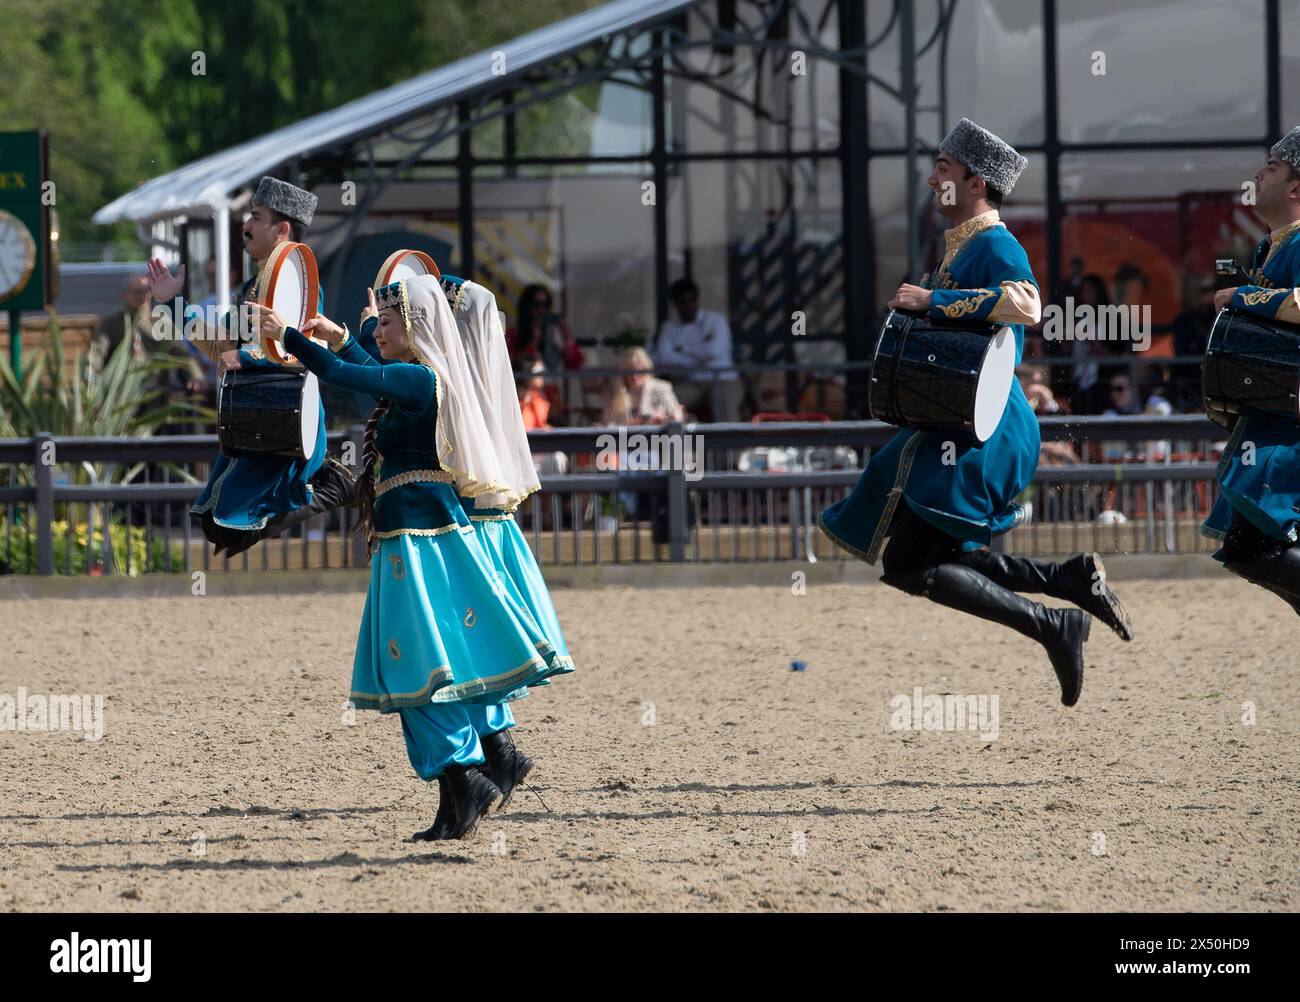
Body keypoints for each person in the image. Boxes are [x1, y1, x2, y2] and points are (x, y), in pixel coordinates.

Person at [818, 118, 1133, 707]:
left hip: (986, 429)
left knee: (910, 563)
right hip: (971, 426)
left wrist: (932, 300)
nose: (931, 177)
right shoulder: (962, 244)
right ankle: (1066, 584)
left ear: (976, 181)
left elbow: (1027, 304)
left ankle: (1053, 621)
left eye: (943, 167)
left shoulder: (994, 242)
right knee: (946, 558)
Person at [248, 275, 567, 840]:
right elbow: (369, 371)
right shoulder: (415, 378)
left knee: (420, 668)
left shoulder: (422, 379)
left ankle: (464, 782)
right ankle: (460, 791)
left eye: (390, 323)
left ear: (416, 328)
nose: (381, 330)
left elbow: (353, 376)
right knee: (419, 668)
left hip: (420, 547)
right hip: (408, 543)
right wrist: (343, 336)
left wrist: (292, 338)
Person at [146, 176, 354, 557]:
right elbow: (219, 345)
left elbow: (305, 347)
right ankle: (327, 486)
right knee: (217, 524)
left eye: (255, 218)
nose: (245, 226)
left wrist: (244, 357)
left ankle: (331, 486)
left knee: (226, 527)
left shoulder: (303, 285)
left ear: (282, 229)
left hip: (287, 418)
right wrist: (173, 304)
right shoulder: (252, 289)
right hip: (258, 416)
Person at [1202, 126, 1300, 614]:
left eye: (1273, 167)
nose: (1258, 173)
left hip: (1293, 424)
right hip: (1277, 417)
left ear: (1296, 189)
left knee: (1252, 548)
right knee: (1252, 549)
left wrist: (1239, 296)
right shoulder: (1271, 247)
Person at [88, 274, 206, 398]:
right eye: (138, 292)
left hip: (155, 390)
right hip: (119, 392)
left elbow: (181, 355)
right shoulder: (112, 323)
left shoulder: (162, 323)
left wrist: (196, 375)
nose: (143, 296)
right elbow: (95, 354)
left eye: (147, 291)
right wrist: (93, 386)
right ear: (125, 295)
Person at [652, 277, 741, 421]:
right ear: (675, 304)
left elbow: (714, 351)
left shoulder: (716, 321)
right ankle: (675, 440)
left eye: (692, 299)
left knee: (726, 410)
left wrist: (683, 349)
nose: (689, 305)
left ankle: (732, 443)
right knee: (661, 403)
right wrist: (699, 357)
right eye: (683, 301)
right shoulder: (669, 327)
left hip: (721, 379)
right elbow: (663, 357)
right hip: (690, 382)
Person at [602, 346, 685, 424]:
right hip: (622, 438)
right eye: (630, 372)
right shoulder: (614, 392)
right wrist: (637, 422)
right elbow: (608, 423)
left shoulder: (661, 388)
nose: (635, 376)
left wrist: (663, 418)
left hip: (655, 438)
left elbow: (676, 419)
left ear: (646, 369)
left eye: (640, 372)